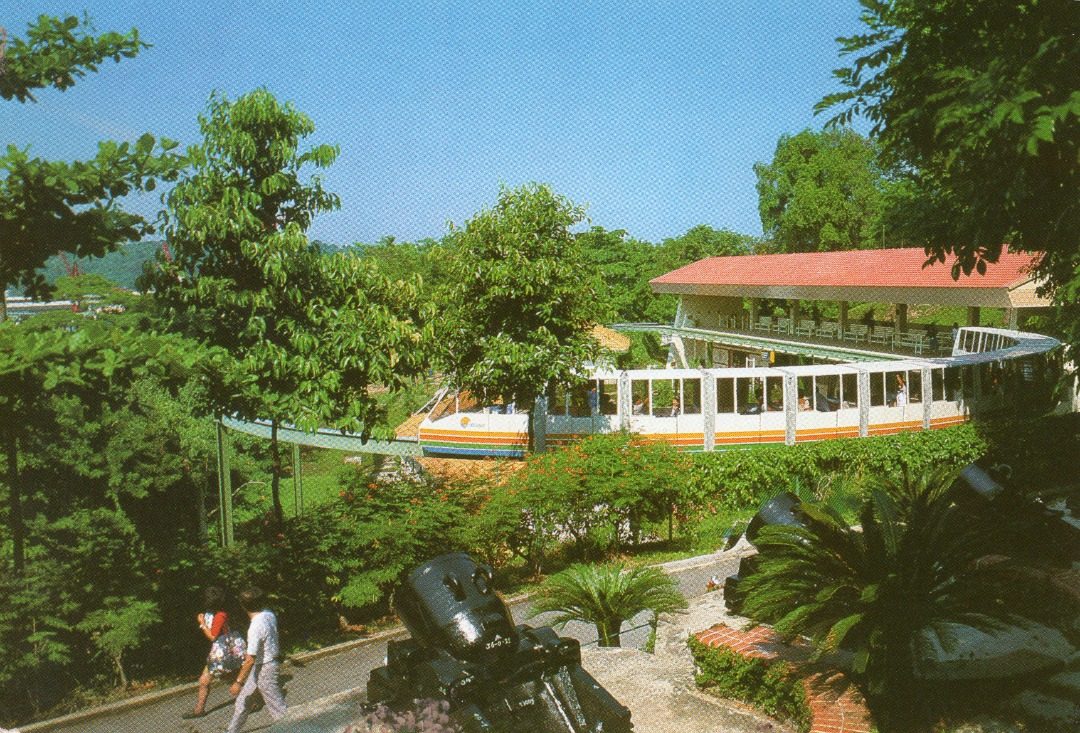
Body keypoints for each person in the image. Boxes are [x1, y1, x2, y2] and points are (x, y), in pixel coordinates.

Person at [226, 587, 287, 733]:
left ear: (242, 606)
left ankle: (296, 728)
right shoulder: (269, 614)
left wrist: (238, 682)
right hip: (264, 664)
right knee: (243, 701)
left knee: (278, 709)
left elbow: (250, 660)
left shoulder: (255, 627)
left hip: (266, 667)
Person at [182, 587, 235, 720]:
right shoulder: (216, 613)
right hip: (217, 653)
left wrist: (202, 624)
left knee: (231, 680)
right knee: (205, 680)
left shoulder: (220, 616)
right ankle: (199, 709)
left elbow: (212, 637)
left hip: (221, 654)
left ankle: (252, 700)